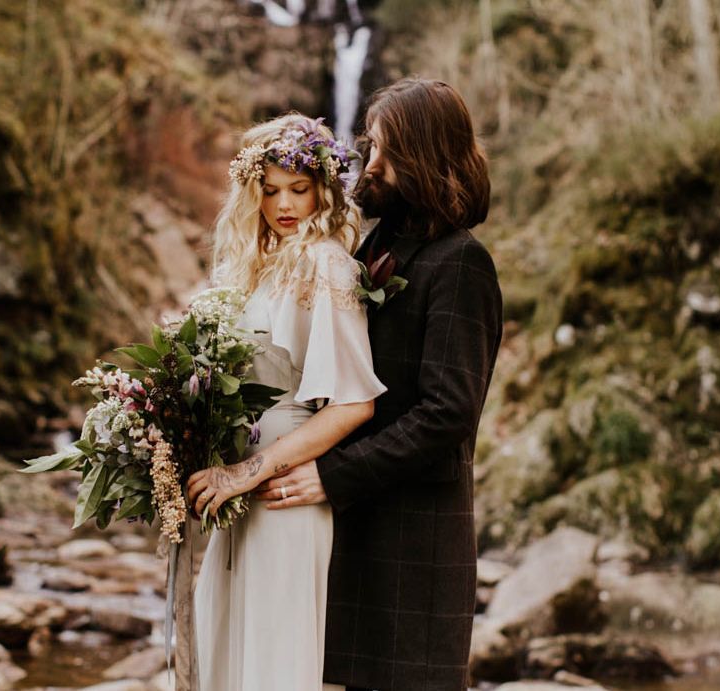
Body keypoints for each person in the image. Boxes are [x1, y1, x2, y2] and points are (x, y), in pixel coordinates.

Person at [253, 78, 503, 691]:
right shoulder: (376, 246)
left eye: (385, 149)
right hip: (358, 539)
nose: (371, 161)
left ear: (421, 157)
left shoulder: (460, 262)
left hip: (415, 551)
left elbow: (446, 416)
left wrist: (331, 476)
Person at [186, 114, 387, 691]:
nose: (284, 204)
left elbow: (352, 405)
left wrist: (247, 473)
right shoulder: (251, 264)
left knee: (274, 662)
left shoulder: (326, 265)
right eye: (269, 190)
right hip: (237, 488)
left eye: (298, 189)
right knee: (228, 651)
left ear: (323, 188)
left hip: (280, 491)